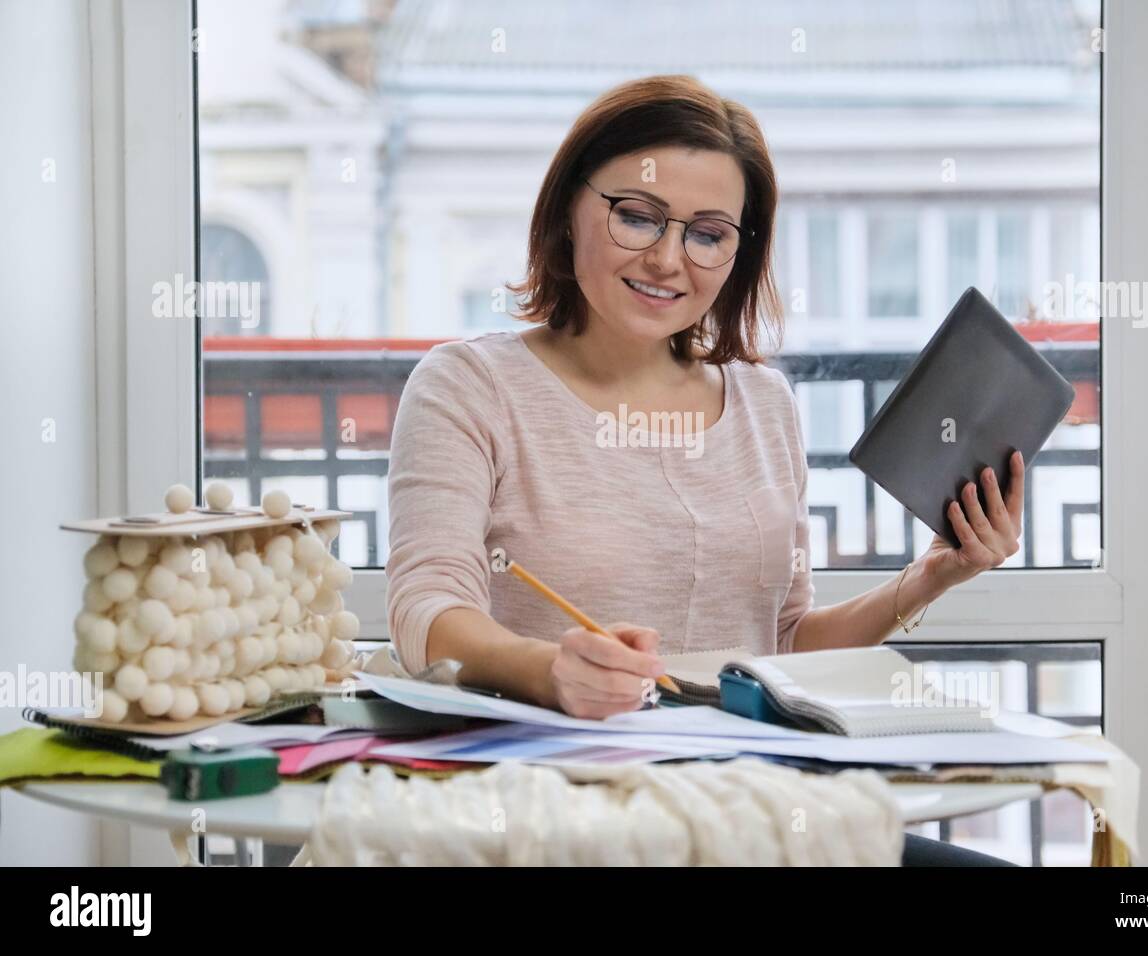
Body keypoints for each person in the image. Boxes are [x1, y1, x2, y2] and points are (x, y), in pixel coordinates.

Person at [386, 74, 1022, 821]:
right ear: (567, 210)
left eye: (707, 233)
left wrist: (926, 580)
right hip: (551, 809)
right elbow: (426, 611)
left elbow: (781, 646)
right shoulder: (469, 385)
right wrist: (550, 671)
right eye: (638, 217)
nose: (666, 259)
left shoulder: (763, 403)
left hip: (744, 805)